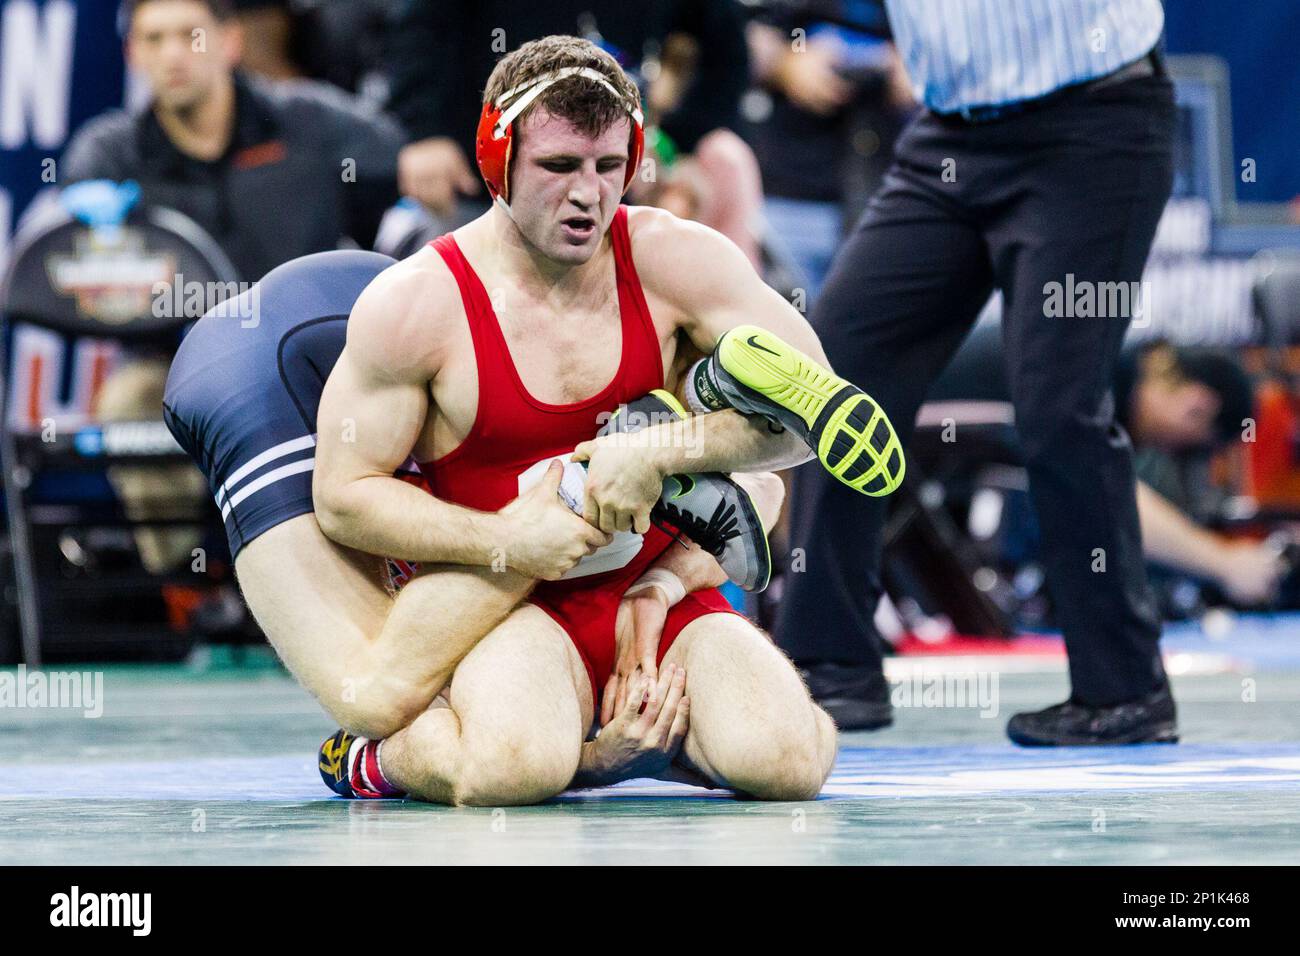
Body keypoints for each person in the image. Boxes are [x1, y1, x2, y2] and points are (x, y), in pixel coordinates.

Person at [165, 36, 904, 805]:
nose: (588, 193)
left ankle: (652, 737)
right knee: (505, 762)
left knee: (785, 761)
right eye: (558, 166)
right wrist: (508, 540)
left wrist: (662, 458)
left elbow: (818, 416)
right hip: (505, 595)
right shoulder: (420, 304)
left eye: (609, 166)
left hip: (646, 586)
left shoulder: (678, 259)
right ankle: (380, 760)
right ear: (498, 162)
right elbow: (345, 498)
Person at [775, 0, 1180, 745]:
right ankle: (831, 667)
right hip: (949, 138)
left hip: (1093, 126)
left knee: (1058, 403)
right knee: (834, 368)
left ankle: (1124, 689)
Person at [62, 0, 404, 282]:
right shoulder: (110, 152)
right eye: (154, 39)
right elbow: (66, 257)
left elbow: (407, 166)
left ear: (230, 41)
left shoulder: (311, 121)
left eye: (190, 36)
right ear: (132, 53)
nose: (172, 55)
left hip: (304, 334)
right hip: (171, 339)